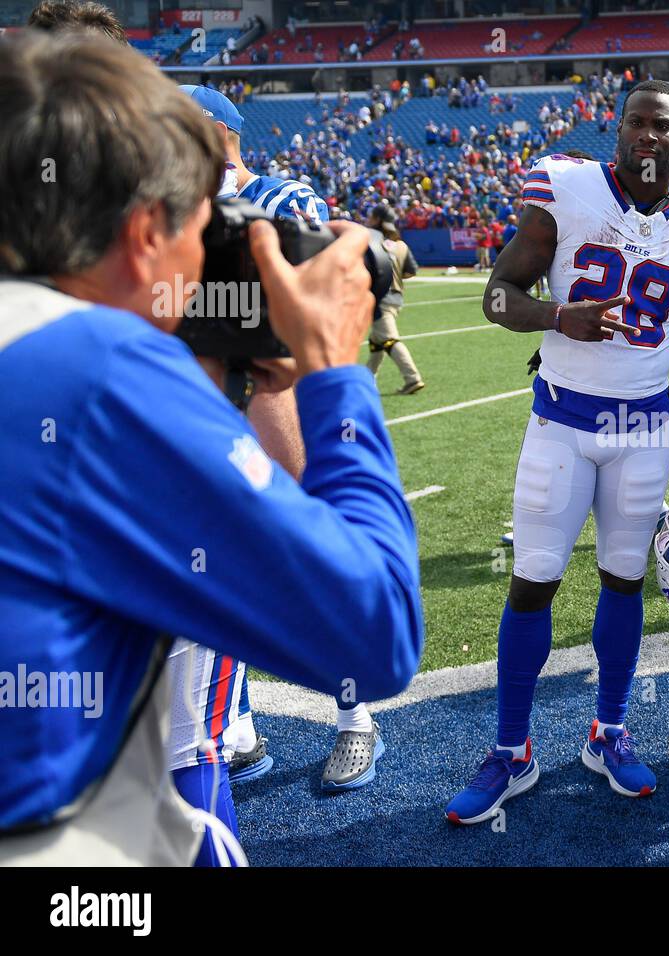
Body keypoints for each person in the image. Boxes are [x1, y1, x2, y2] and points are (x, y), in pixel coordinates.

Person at [0, 32, 422, 863]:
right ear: (141, 231)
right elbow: (372, 632)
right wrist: (333, 373)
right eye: (208, 219)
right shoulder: (99, 380)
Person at [445, 81, 669, 824]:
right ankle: (513, 749)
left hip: (644, 429)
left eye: (661, 125)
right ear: (618, 129)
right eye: (636, 121)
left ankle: (608, 731)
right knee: (533, 582)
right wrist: (553, 315)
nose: (647, 134)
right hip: (563, 423)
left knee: (623, 580)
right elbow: (498, 294)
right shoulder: (569, 189)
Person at [179, 85, 391, 793]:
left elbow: (327, 297)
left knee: (309, 553)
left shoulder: (278, 197)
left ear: (215, 134)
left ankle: (357, 719)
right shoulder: (162, 210)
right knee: (214, 562)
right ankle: (233, 727)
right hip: (199, 404)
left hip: (276, 397)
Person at [366, 205, 425, 395]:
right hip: (397, 297)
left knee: (389, 340)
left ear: (376, 220)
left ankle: (412, 378)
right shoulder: (401, 245)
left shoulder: (369, 242)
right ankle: (367, 380)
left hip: (379, 298)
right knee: (377, 342)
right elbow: (410, 271)